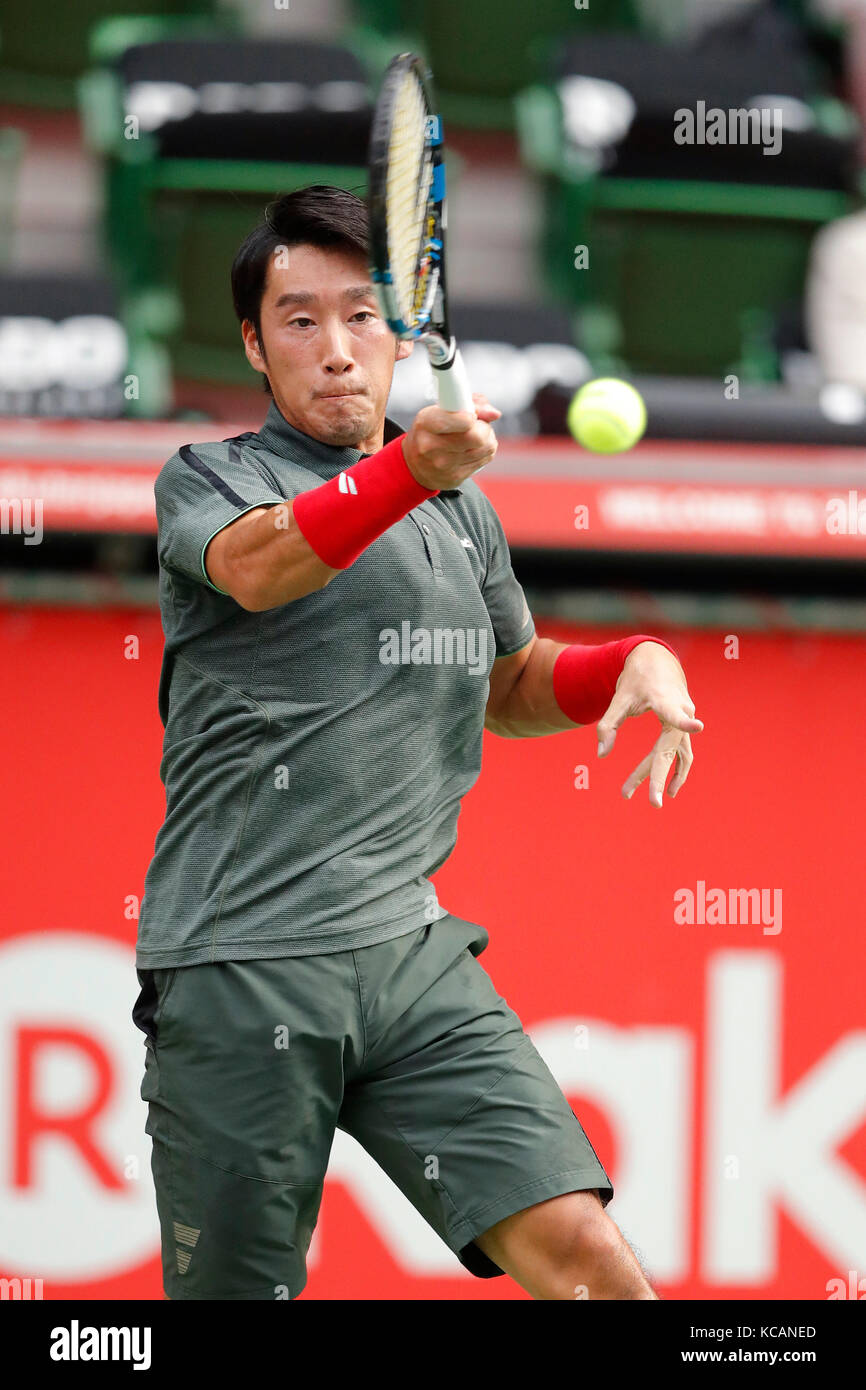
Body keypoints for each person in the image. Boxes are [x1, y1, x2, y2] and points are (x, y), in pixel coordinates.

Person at [133, 184, 702, 1301]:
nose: (336, 350)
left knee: (587, 1260)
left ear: (399, 334)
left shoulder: (459, 508)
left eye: (362, 316)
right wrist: (409, 473)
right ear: (253, 344)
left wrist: (621, 665)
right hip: (243, 964)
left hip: (409, 956)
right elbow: (261, 565)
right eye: (299, 320)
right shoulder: (210, 480)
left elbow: (508, 684)